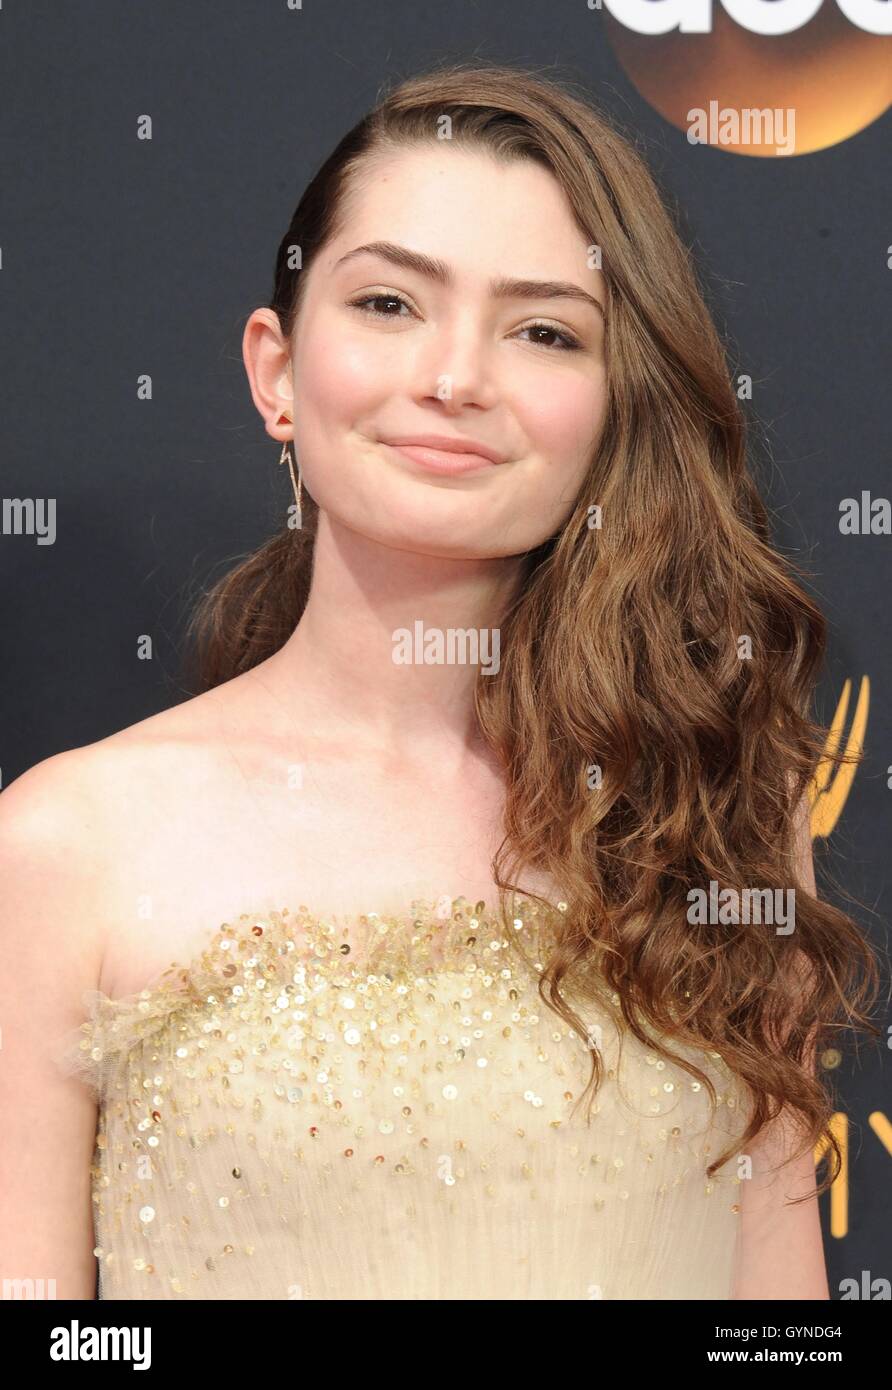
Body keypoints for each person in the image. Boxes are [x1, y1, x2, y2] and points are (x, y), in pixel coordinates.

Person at [0, 60, 879, 1301]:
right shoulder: (65, 843)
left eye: (542, 330)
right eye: (389, 305)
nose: (456, 376)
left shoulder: (711, 804)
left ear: (613, 407)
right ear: (275, 371)